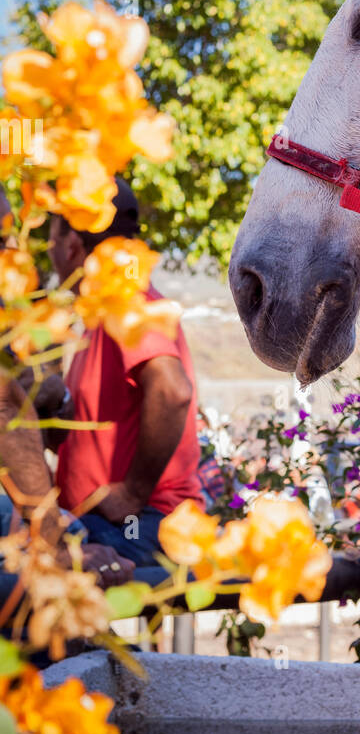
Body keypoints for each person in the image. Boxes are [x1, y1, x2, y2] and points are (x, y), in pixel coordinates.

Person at [49, 178, 203, 566]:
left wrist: (133, 493)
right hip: (116, 521)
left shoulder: (127, 298)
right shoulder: (104, 312)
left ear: (71, 246)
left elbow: (172, 391)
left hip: (140, 521)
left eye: (51, 234)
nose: (48, 248)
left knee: (26, 564)